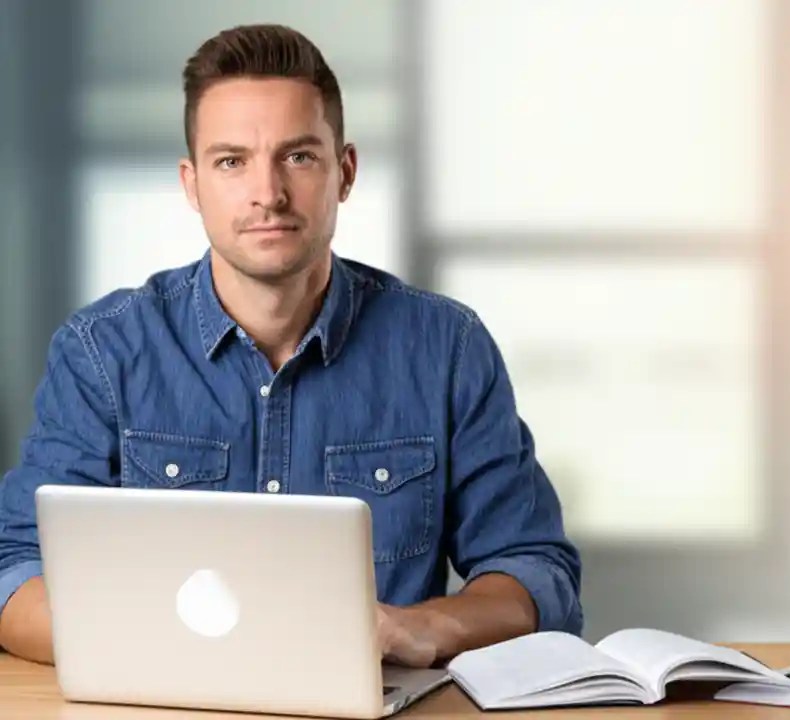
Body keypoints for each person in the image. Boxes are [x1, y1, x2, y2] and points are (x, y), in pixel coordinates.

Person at [0, 23, 582, 667]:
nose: (267, 193)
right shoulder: (101, 353)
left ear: (346, 171)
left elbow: (533, 571)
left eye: (298, 156)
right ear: (192, 185)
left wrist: (420, 627)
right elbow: (14, 571)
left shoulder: (448, 348)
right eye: (232, 161)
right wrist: (176, 653)